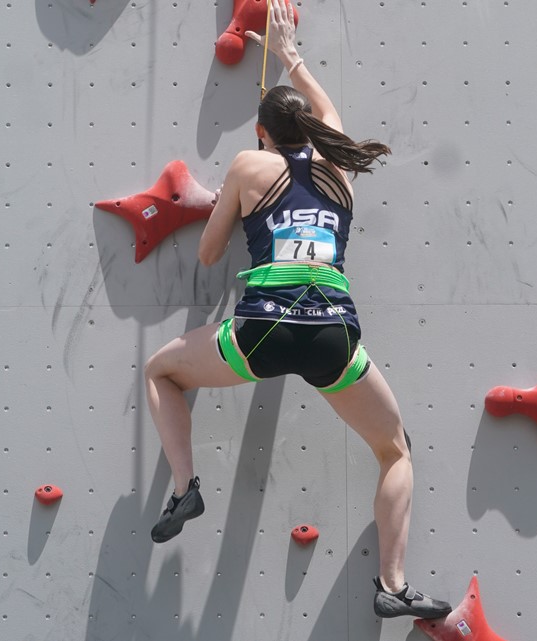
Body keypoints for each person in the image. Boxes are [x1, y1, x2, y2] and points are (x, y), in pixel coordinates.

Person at [143, 0, 451, 620]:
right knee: (395, 450)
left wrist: (234, 207)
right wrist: (289, 55)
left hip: (262, 329)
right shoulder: (341, 168)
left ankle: (185, 489)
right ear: (310, 130)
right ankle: (393, 585)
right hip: (332, 333)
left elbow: (207, 256)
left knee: (160, 370)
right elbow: (330, 116)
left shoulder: (249, 164)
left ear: (262, 133)